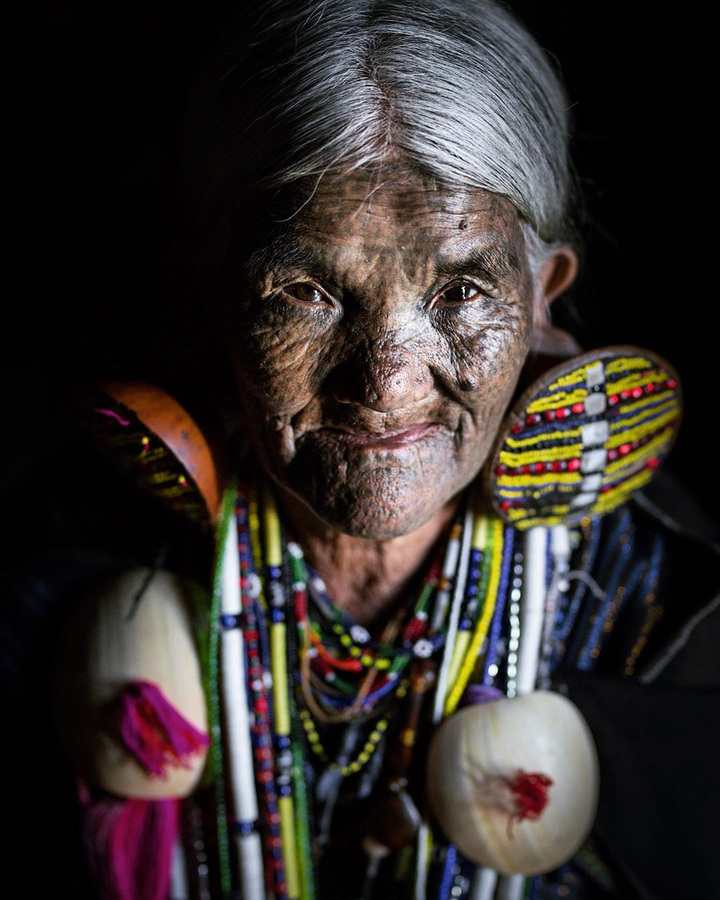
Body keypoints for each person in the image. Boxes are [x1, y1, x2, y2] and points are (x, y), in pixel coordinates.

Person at [4, 1, 718, 899]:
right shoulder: (61, 555)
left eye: (461, 290)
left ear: (545, 293)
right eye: (305, 291)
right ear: (215, 293)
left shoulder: (661, 599)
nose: (387, 383)